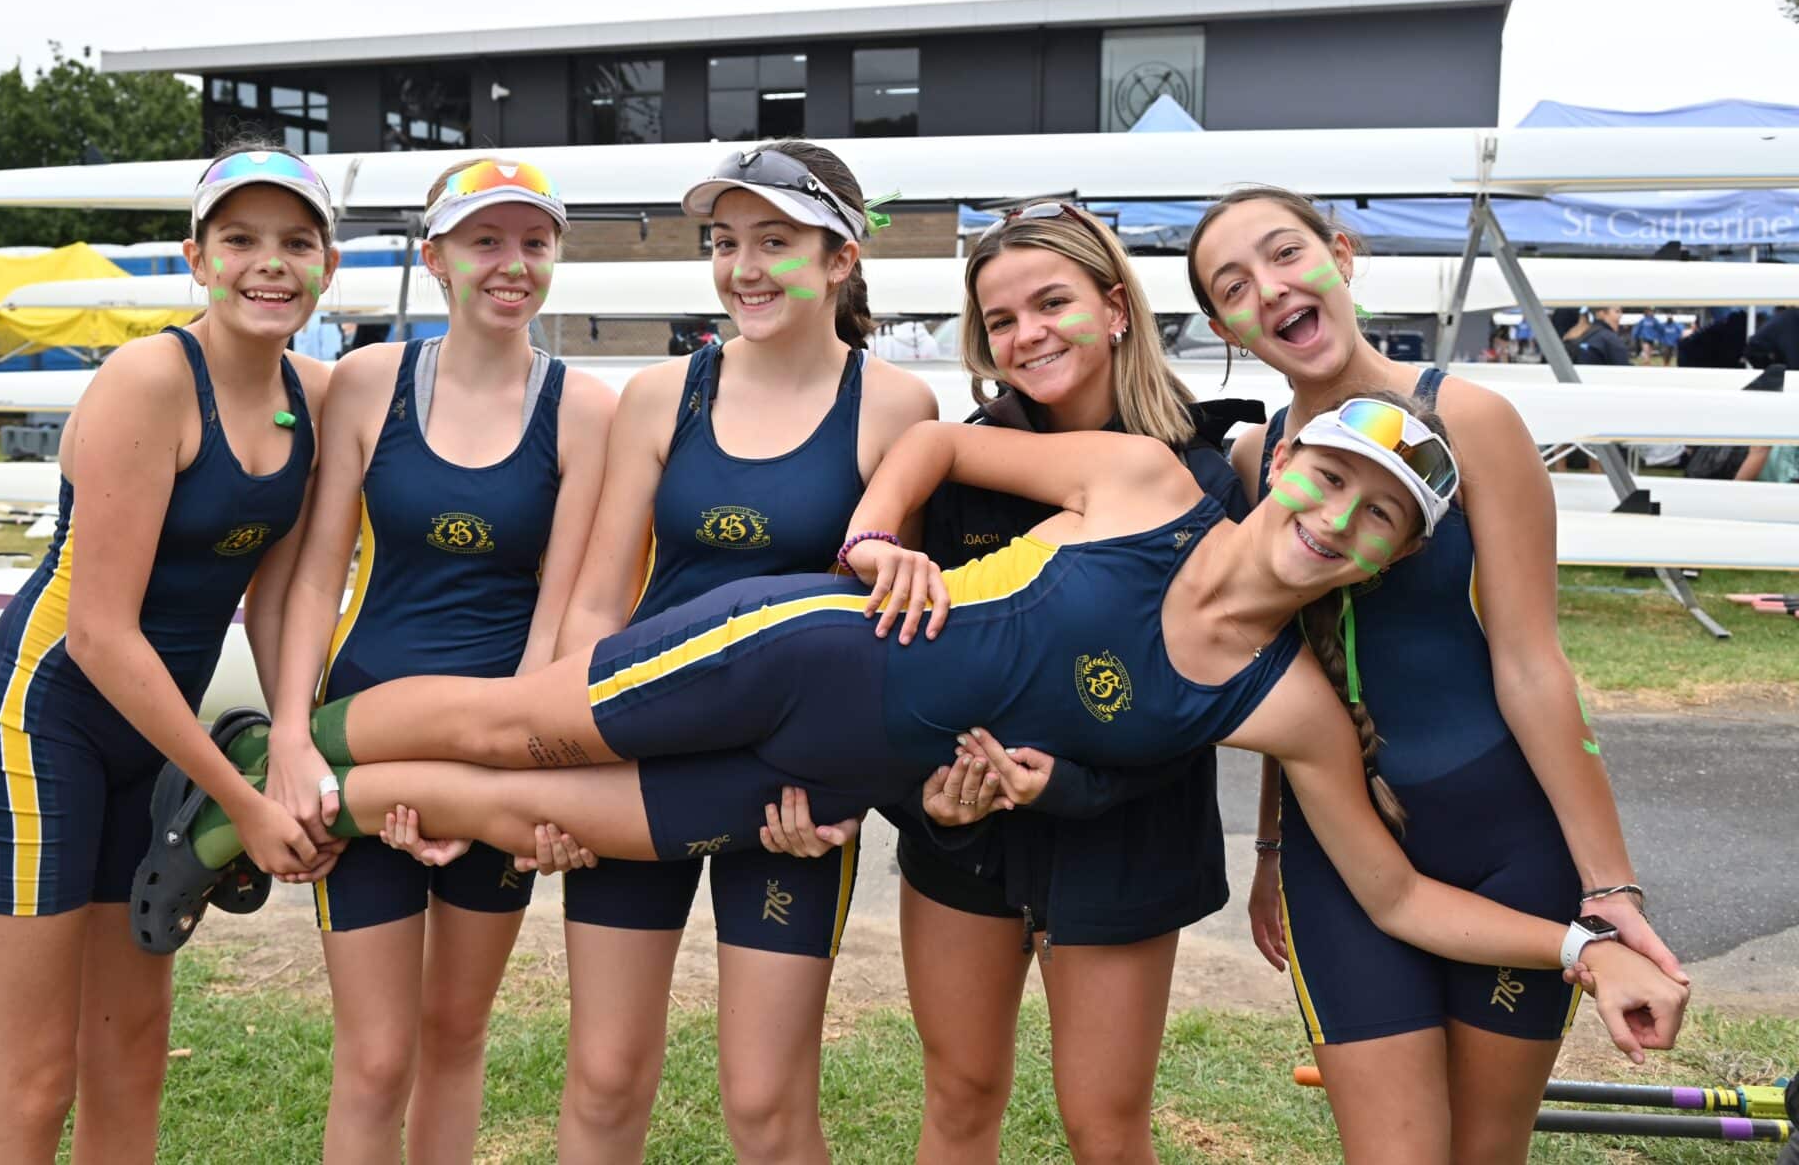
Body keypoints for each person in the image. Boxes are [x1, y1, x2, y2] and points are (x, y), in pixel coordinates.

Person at [144, 393, 1690, 1076]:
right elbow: (943, 438)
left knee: (542, 815)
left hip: (838, 775)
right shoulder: (1148, 489)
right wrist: (881, 535)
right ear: (1288, 472)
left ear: (1381, 556)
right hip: (798, 647)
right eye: (1328, 482)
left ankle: (305, 794)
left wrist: (1584, 944)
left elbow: (1407, 897)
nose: (1333, 521)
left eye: (1375, 522)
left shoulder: (1283, 703)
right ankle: (268, 763)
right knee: (527, 730)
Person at [1186, 186, 1686, 1163]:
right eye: (1233, 285)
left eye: (1286, 253)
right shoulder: (1252, 463)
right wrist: (1272, 850)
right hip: (1344, 863)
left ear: (1338, 254)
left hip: (1509, 846)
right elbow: (1291, 680)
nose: (1271, 288)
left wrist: (1606, 885)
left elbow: (1530, 661)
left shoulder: (1466, 416)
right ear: (1222, 327)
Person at [535, 141, 936, 1163]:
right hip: (643, 758)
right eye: (724, 242)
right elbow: (596, 604)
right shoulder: (662, 397)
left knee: (763, 1102)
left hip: (783, 798)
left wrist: (840, 789)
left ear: (840, 256)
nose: (743, 267)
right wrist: (573, 764)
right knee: (603, 1074)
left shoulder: (893, 410)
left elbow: (884, 633)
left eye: (775, 240)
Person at [0, 145, 336, 1162]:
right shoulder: (149, 379)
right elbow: (100, 632)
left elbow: (278, 598)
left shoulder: (312, 395)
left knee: (133, 1055)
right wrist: (242, 801)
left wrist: (294, 741)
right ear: (196, 257)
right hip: (44, 728)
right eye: (240, 240)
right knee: (35, 1072)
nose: (270, 263)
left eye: (296, 241)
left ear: (328, 265)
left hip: (149, 748)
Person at [866, 201, 1258, 1163]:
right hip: (963, 836)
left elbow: (1208, 692)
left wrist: (1075, 784)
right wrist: (923, 800)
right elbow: (879, 669)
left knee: (1105, 1123)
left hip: (1127, 829)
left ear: (1117, 305)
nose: (1027, 333)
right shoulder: (954, 470)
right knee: (958, 1095)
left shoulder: (1206, 479)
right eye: (1002, 320)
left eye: (1052, 302)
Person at [261, 157, 615, 1163]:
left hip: (496, 752)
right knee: (373, 1056)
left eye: (533, 244)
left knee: (455, 1035)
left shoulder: (581, 409)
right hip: (362, 736)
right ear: (437, 258)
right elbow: (314, 574)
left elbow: (559, 610)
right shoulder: (372, 382)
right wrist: (291, 733)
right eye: (484, 242)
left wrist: (493, 780)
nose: (511, 264)